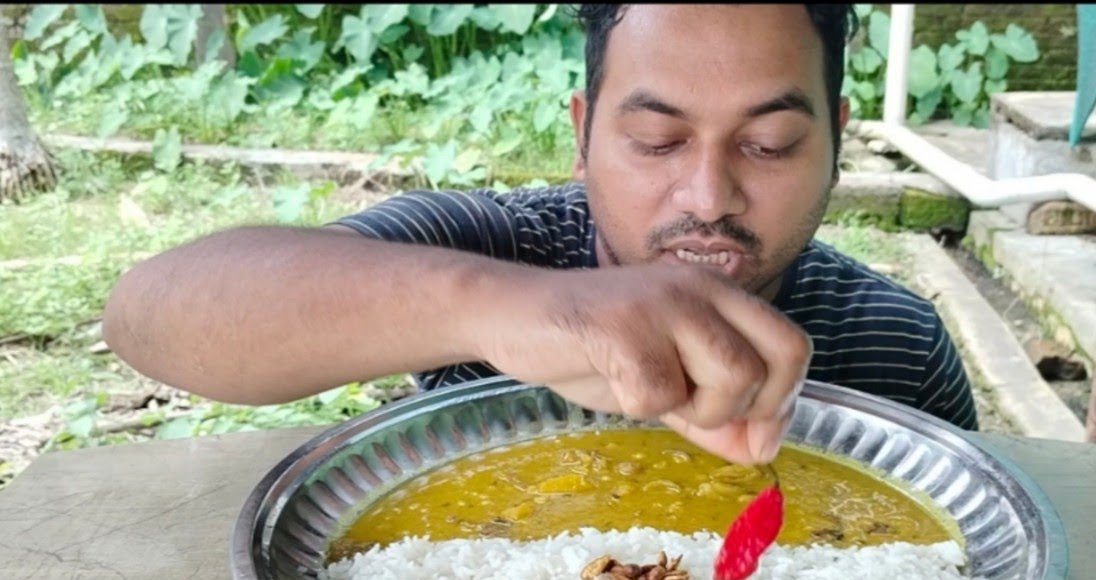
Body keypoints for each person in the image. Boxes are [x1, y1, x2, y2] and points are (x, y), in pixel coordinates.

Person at [103, 4, 977, 468]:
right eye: (656, 140)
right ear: (583, 131)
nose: (708, 195)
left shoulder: (898, 345)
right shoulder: (488, 247)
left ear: (836, 138)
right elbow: (148, 317)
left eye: (770, 144)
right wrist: (509, 308)